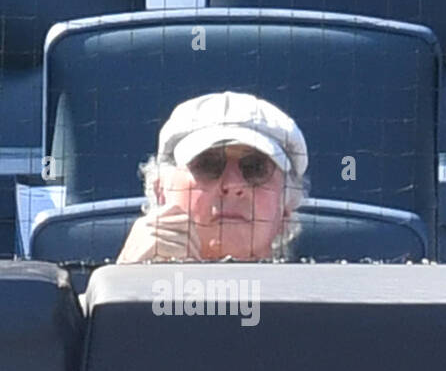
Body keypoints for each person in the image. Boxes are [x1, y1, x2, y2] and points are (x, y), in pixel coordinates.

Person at [117, 91, 309, 264]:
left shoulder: (321, 299)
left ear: (286, 207)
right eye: (207, 164)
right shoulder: (102, 296)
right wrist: (125, 279)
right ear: (161, 192)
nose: (232, 184)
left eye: (255, 168)